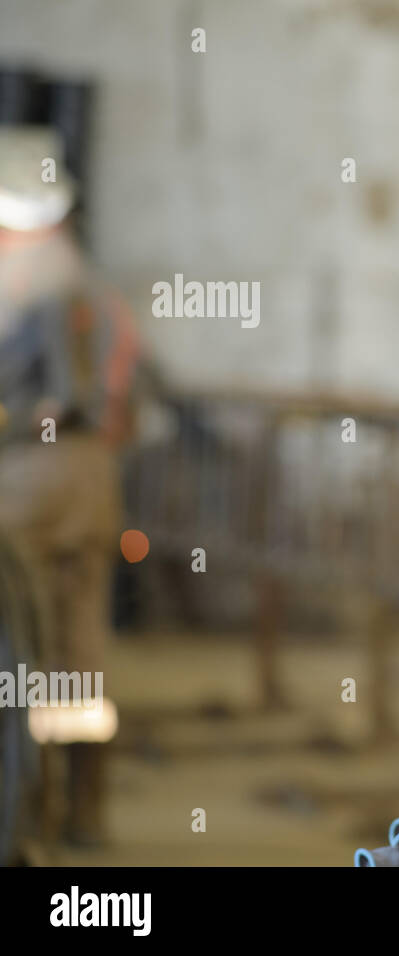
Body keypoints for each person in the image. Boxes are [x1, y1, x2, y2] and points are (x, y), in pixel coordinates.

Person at [0, 124, 140, 848]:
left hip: (25, 481)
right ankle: (86, 816)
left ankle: (29, 820)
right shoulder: (90, 279)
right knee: (80, 653)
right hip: (89, 483)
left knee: (18, 655)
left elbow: (54, 398)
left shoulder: (18, 278)